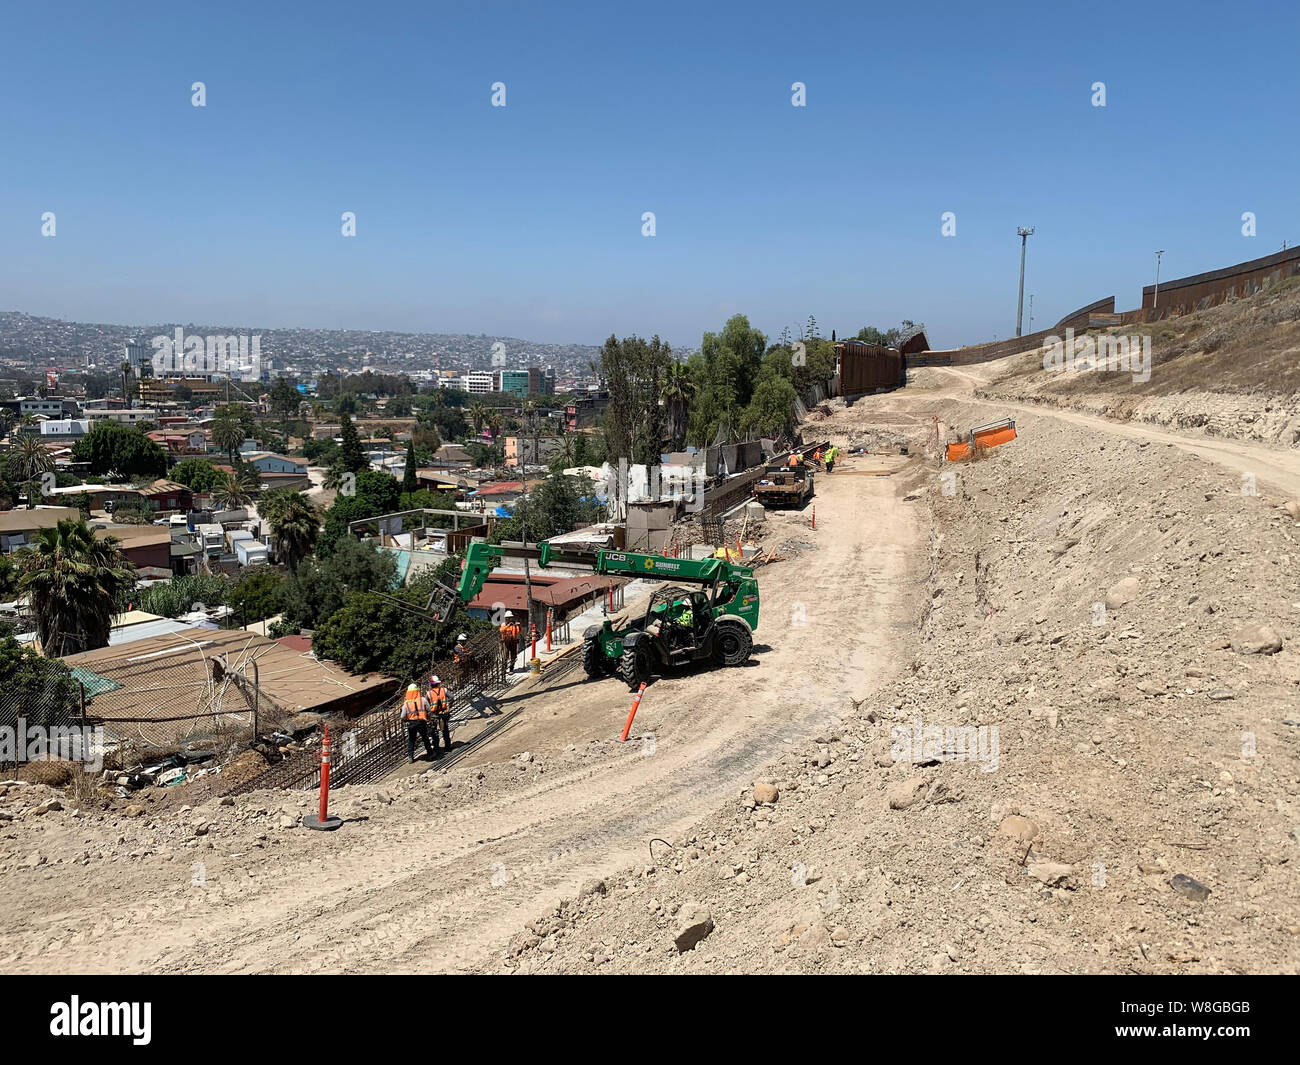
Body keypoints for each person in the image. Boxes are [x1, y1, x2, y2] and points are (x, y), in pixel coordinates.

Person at [400, 682, 434, 763]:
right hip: (421, 722)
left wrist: (407, 719)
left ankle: (410, 757)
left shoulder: (406, 704)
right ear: (417, 691)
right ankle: (430, 753)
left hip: (411, 723)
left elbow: (402, 716)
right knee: (425, 738)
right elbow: (429, 710)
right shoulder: (423, 700)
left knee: (411, 740)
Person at [427, 674, 452, 754]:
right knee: (445, 730)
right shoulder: (444, 690)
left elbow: (426, 704)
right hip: (444, 713)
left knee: (434, 732)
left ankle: (436, 748)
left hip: (434, 715)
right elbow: (452, 697)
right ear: (438, 683)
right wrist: (448, 705)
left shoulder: (429, 693)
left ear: (431, 684)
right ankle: (448, 747)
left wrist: (428, 712)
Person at [499, 611, 522, 678]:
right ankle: (504, 669)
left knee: (513, 656)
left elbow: (519, 631)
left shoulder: (514, 625)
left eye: (510, 618)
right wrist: (507, 626)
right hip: (506, 642)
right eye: (507, 618)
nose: (508, 619)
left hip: (513, 642)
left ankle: (511, 669)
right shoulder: (504, 624)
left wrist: (519, 626)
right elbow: (501, 630)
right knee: (505, 656)